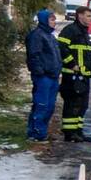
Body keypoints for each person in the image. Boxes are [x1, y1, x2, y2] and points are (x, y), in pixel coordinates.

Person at [57, 0, 91, 143]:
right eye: (88, 16)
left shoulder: (84, 33)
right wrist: (72, 64)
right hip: (72, 75)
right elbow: (61, 48)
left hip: (83, 76)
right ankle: (69, 133)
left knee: (82, 105)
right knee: (72, 104)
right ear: (79, 16)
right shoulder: (70, 30)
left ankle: (78, 131)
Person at [24, 8, 61, 142]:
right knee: (41, 105)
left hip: (52, 76)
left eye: (54, 19)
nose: (54, 22)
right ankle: (36, 132)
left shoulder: (50, 36)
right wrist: (39, 71)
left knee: (50, 106)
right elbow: (34, 55)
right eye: (51, 19)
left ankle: (41, 131)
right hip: (43, 76)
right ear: (44, 20)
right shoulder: (37, 35)